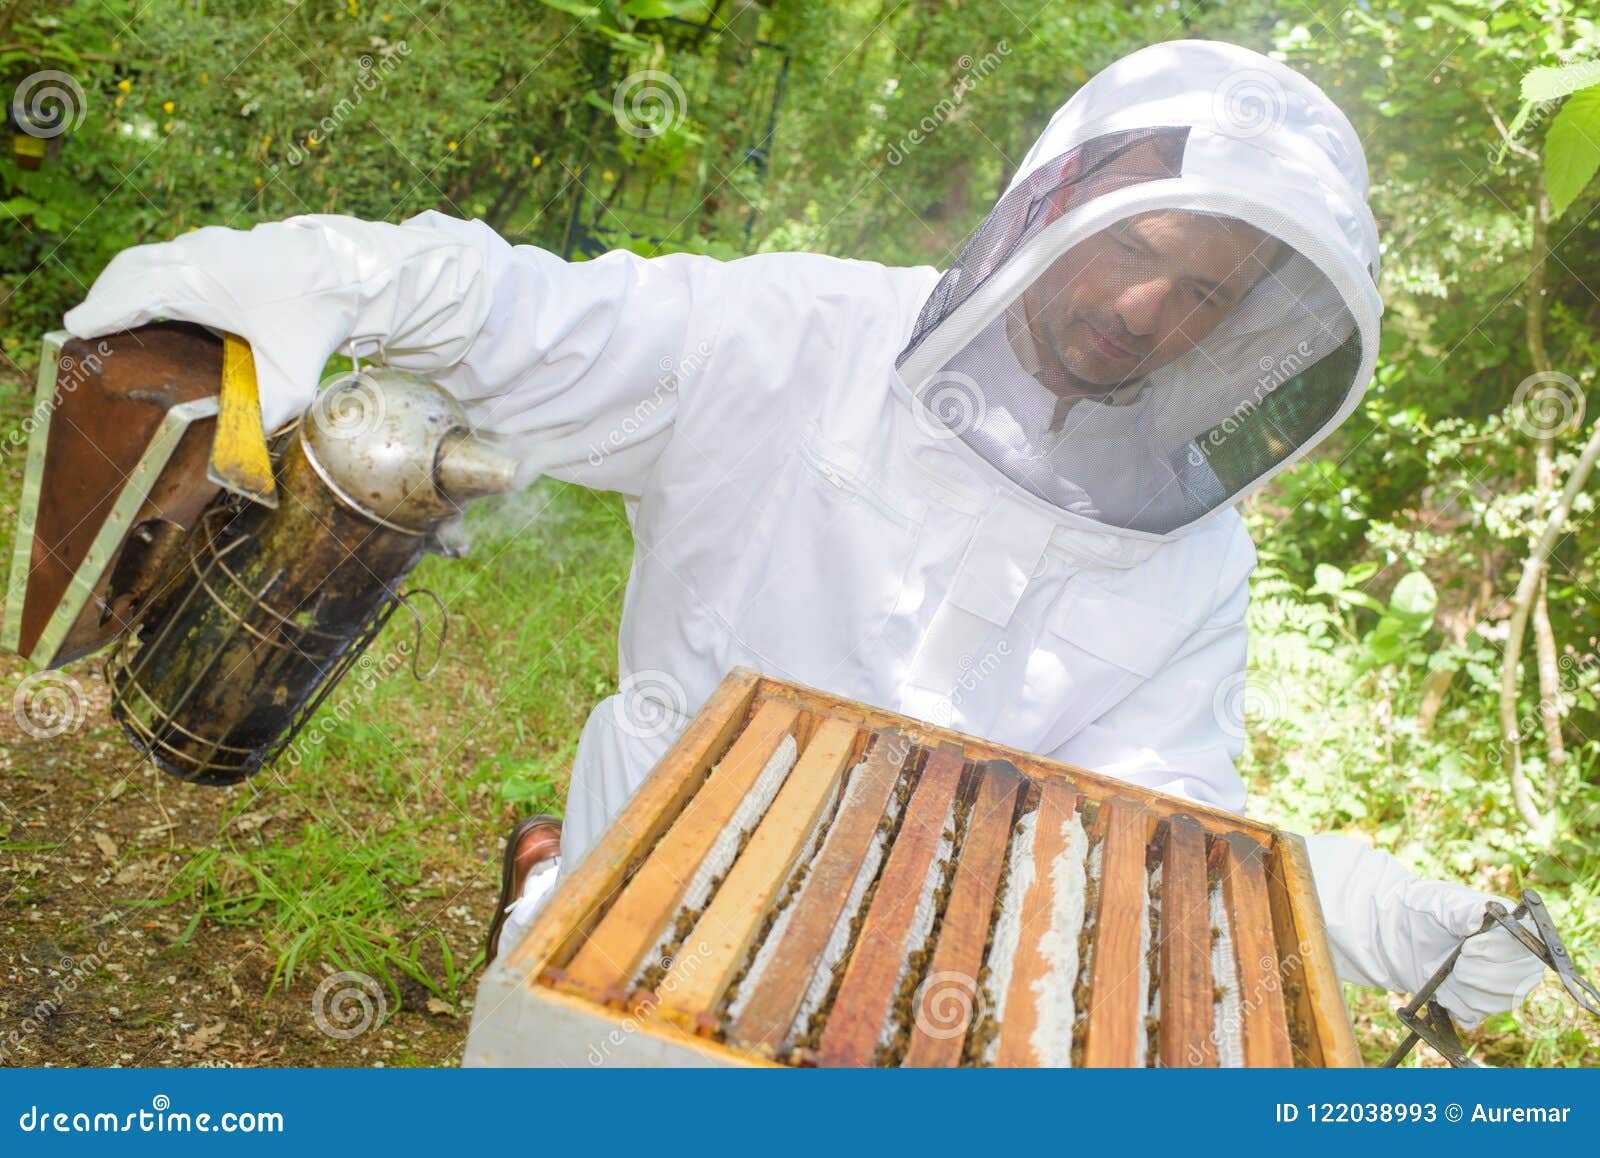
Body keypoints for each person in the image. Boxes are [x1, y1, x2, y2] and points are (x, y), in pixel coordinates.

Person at [64, 39, 1543, 1035]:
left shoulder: (1195, 550)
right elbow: (525, 315)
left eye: (1204, 293)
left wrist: (1362, 908)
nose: (1146, 309)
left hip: (922, 1008)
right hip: (633, 926)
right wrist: (325, 273)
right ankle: (538, 876)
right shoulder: (793, 334)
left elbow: (1163, 826)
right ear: (1055, 205)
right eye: (1136, 249)